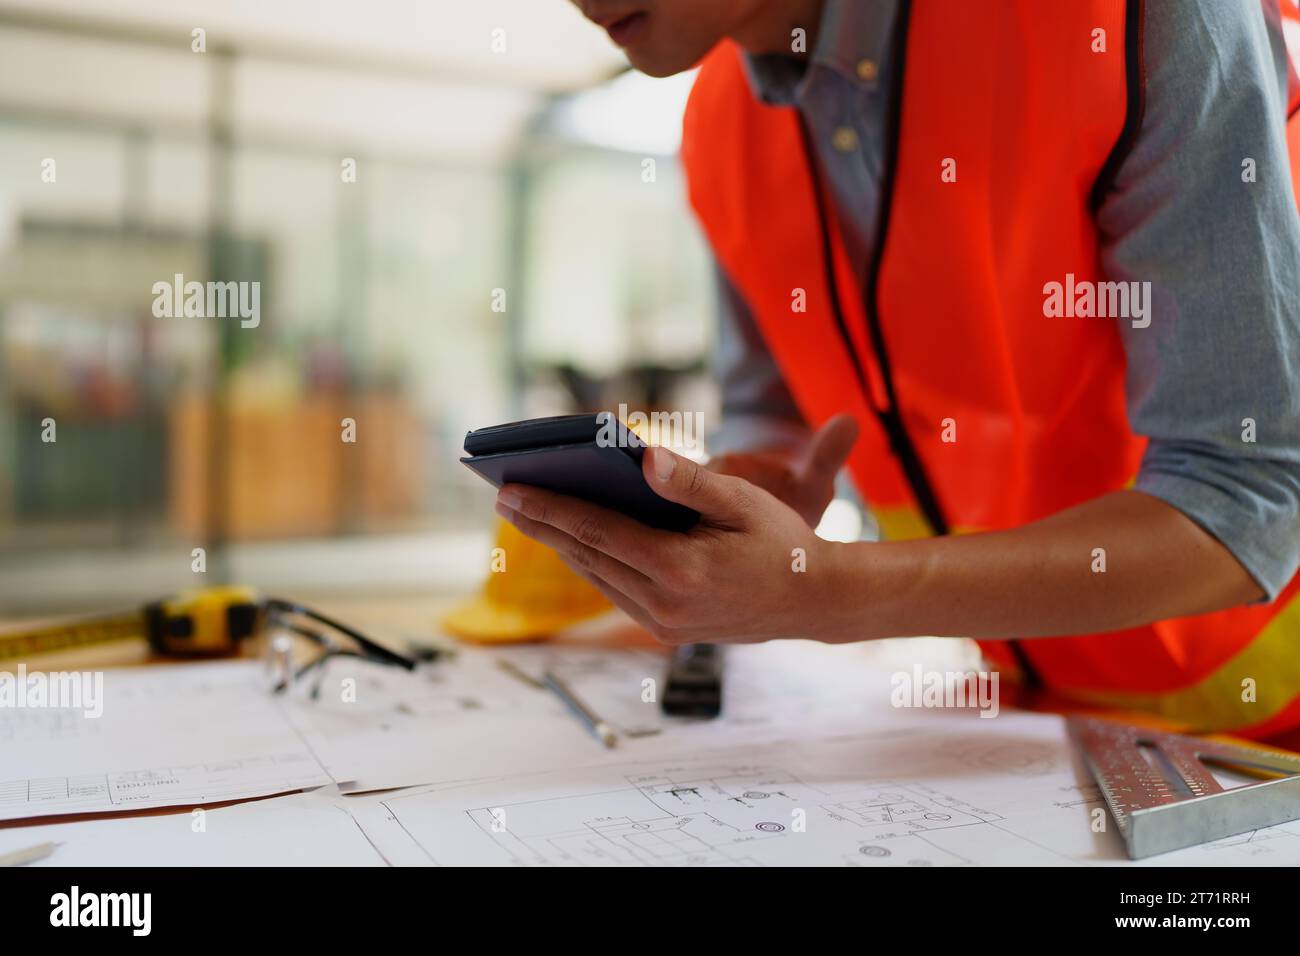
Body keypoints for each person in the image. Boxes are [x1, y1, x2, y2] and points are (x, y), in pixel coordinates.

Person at [495, 0, 1300, 744]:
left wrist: (829, 590)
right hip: (1043, 729)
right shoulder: (717, 123)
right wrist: (751, 490)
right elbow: (766, 406)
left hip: (1273, 729)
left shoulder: (1142, 15)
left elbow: (1246, 496)